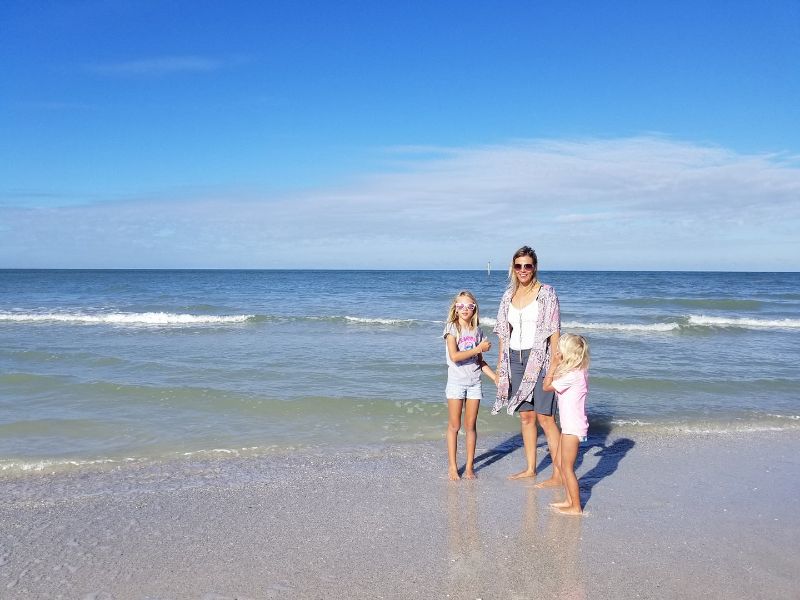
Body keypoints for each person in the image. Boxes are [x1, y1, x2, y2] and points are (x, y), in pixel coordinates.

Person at [491, 246, 562, 483]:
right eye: (518, 266)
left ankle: (559, 473)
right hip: (514, 359)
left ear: (535, 267)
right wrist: (502, 368)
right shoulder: (507, 296)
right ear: (513, 268)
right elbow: (503, 334)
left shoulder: (547, 293)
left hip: (540, 359)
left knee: (545, 418)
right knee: (526, 418)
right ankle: (531, 468)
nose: (523, 270)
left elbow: (554, 333)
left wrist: (553, 367)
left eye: (527, 266)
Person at [443, 290, 497, 481]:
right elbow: (455, 356)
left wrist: (496, 378)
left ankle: (470, 468)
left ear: (475, 309)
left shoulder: (478, 331)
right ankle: (452, 466)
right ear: (455, 309)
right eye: (461, 306)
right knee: (455, 425)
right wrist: (478, 348)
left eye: (469, 306)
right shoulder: (452, 329)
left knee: (470, 426)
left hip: (474, 383)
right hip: (456, 383)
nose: (465, 309)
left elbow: (480, 362)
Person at [543, 333, 590, 515]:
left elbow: (546, 386)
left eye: (559, 349)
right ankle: (569, 500)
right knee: (560, 463)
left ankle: (576, 507)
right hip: (570, 425)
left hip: (573, 427)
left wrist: (553, 364)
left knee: (567, 468)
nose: (556, 352)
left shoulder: (573, 376)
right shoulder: (579, 371)